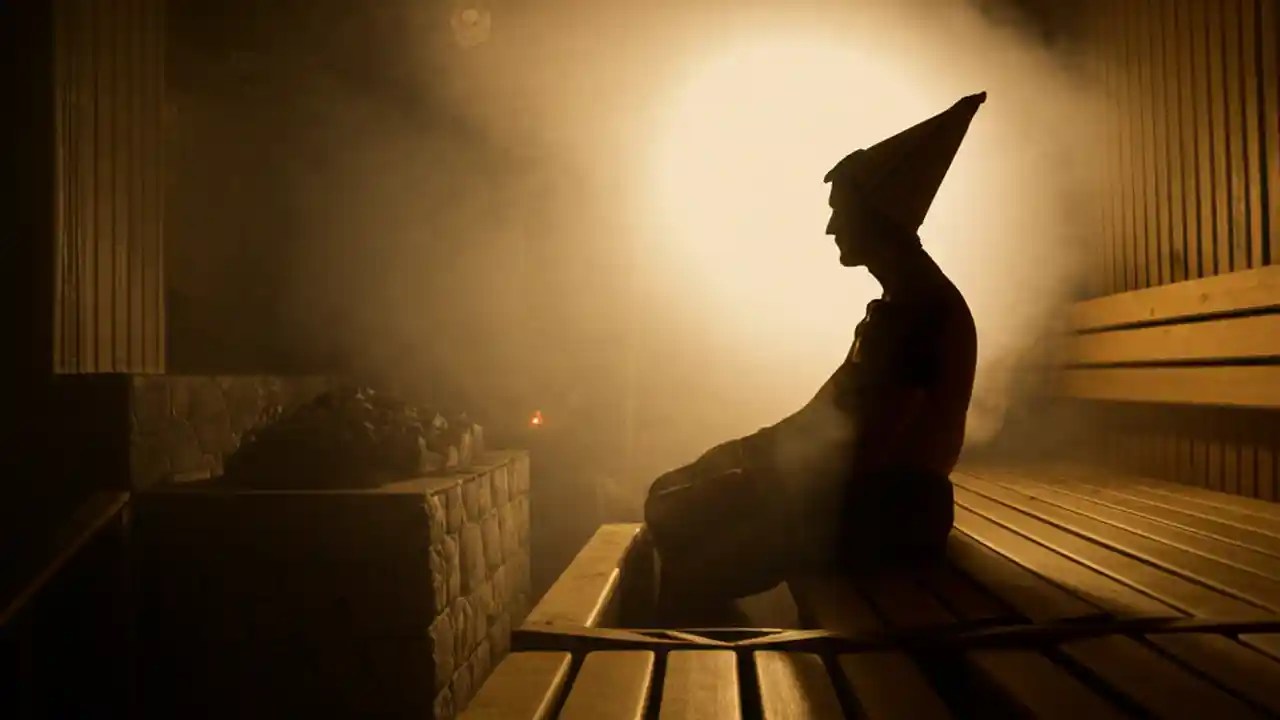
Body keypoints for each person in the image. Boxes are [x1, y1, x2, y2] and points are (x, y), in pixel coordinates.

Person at [643, 92, 987, 619]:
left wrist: (755, 482)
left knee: (688, 536)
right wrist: (742, 452)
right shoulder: (896, 308)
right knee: (672, 500)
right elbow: (829, 415)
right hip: (869, 497)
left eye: (841, 215)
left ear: (877, 220)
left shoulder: (921, 312)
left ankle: (691, 682)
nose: (831, 230)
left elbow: (870, 448)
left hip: (894, 511)